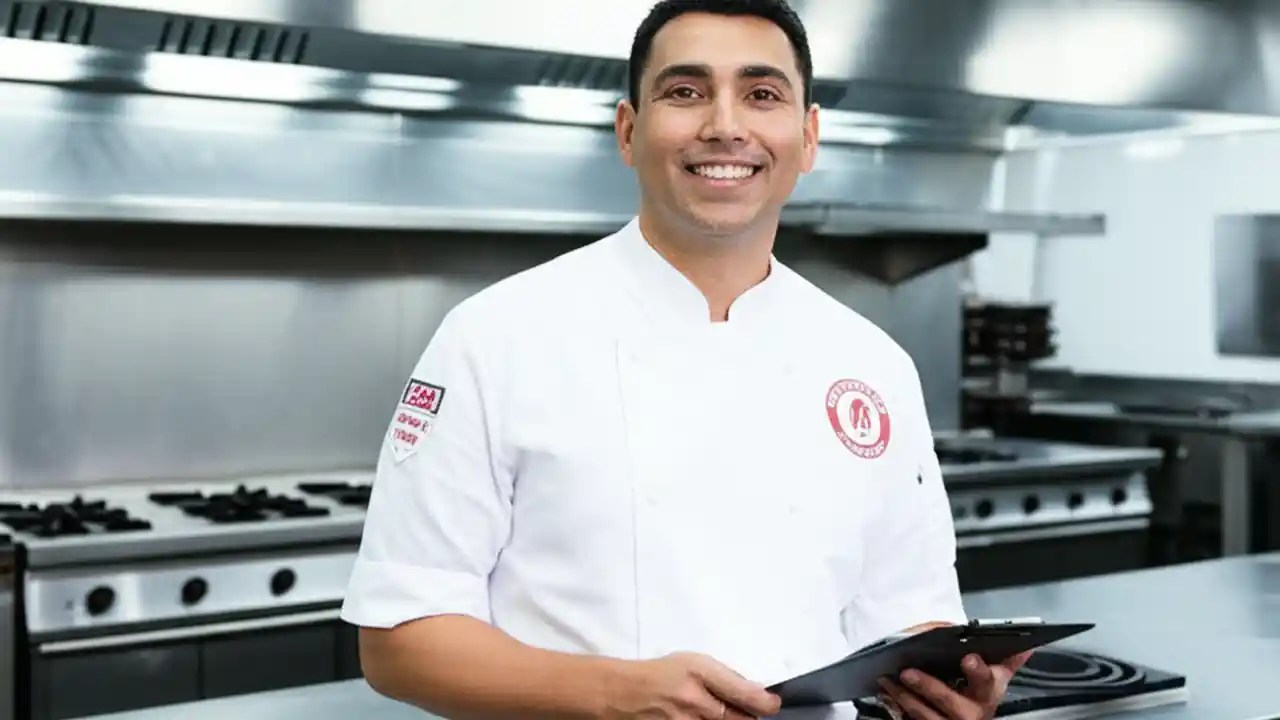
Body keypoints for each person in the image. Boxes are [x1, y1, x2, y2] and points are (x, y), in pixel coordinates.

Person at [341, 1, 1028, 718]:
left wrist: (948, 684)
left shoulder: (873, 363)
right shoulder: (493, 336)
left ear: (808, 135)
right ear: (629, 132)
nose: (725, 125)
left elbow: (908, 612)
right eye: (685, 91)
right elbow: (397, 641)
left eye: (762, 95)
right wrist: (612, 694)